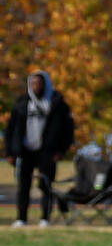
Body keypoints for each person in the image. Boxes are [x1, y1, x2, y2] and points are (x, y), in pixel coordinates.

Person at [12, 71, 75, 227]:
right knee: (23, 187)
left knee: (46, 186)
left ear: (46, 84)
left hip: (47, 153)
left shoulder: (57, 103)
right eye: (33, 83)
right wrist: (11, 151)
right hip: (26, 151)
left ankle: (45, 219)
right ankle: (21, 219)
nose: (36, 86)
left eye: (39, 83)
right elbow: (11, 129)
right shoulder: (22, 103)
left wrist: (60, 151)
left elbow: (68, 129)